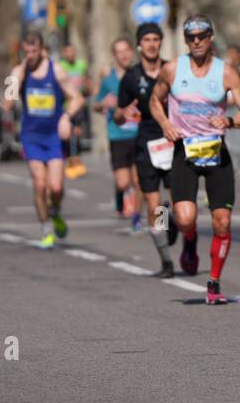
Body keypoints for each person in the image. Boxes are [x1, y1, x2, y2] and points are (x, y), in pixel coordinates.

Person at [150, 15, 240, 304]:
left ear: (211, 37)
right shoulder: (172, 69)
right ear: (186, 40)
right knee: (185, 218)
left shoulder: (226, 72)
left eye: (201, 35)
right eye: (191, 37)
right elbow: (153, 101)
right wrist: (165, 125)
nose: (196, 41)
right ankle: (189, 237)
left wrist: (231, 121)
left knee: (222, 222)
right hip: (184, 151)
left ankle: (214, 282)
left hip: (215, 151)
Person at [3, 31, 85, 249]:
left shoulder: (55, 70)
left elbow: (77, 97)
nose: (30, 56)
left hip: (53, 136)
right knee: (40, 183)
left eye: (34, 51)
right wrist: (16, 80)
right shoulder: (18, 72)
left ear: (42, 50)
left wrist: (67, 117)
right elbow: (7, 105)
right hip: (31, 136)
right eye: (26, 52)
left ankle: (55, 212)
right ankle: (45, 227)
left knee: (56, 188)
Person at [117, 23, 177, 276]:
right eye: (147, 39)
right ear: (140, 44)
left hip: (174, 140)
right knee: (153, 206)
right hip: (147, 143)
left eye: (156, 39)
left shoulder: (172, 70)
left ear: (160, 42)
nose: (152, 44)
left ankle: (172, 222)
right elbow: (118, 115)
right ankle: (167, 262)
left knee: (178, 205)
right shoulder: (131, 77)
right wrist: (124, 114)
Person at [96, 38, 140, 218]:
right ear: (114, 56)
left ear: (132, 51)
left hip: (140, 133)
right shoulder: (108, 80)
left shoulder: (140, 74)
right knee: (123, 182)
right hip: (118, 134)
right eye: (119, 51)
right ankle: (121, 193)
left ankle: (137, 218)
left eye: (126, 50)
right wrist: (103, 103)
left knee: (140, 181)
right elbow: (95, 104)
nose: (124, 54)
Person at [57, 43, 91, 179]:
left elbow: (86, 80)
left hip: (79, 104)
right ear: (64, 54)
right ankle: (69, 161)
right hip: (66, 106)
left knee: (77, 133)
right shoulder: (60, 66)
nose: (70, 55)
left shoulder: (81, 65)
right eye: (67, 52)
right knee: (67, 134)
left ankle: (76, 161)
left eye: (72, 52)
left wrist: (88, 87)